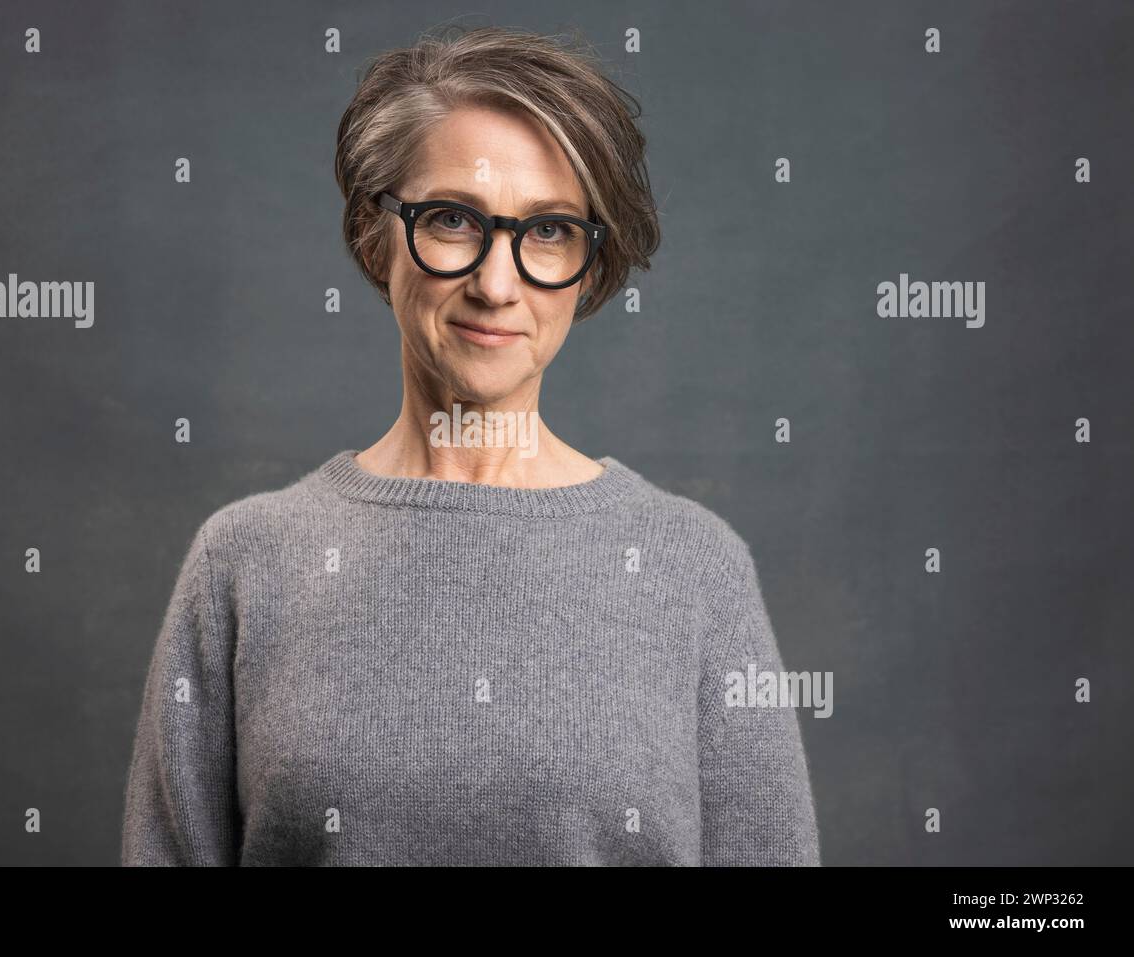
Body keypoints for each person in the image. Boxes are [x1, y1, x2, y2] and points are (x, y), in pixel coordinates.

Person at [121, 24, 820, 866]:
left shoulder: (694, 566)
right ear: (376, 236)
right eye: (453, 220)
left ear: (593, 268)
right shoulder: (244, 561)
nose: (497, 283)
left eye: (550, 230)